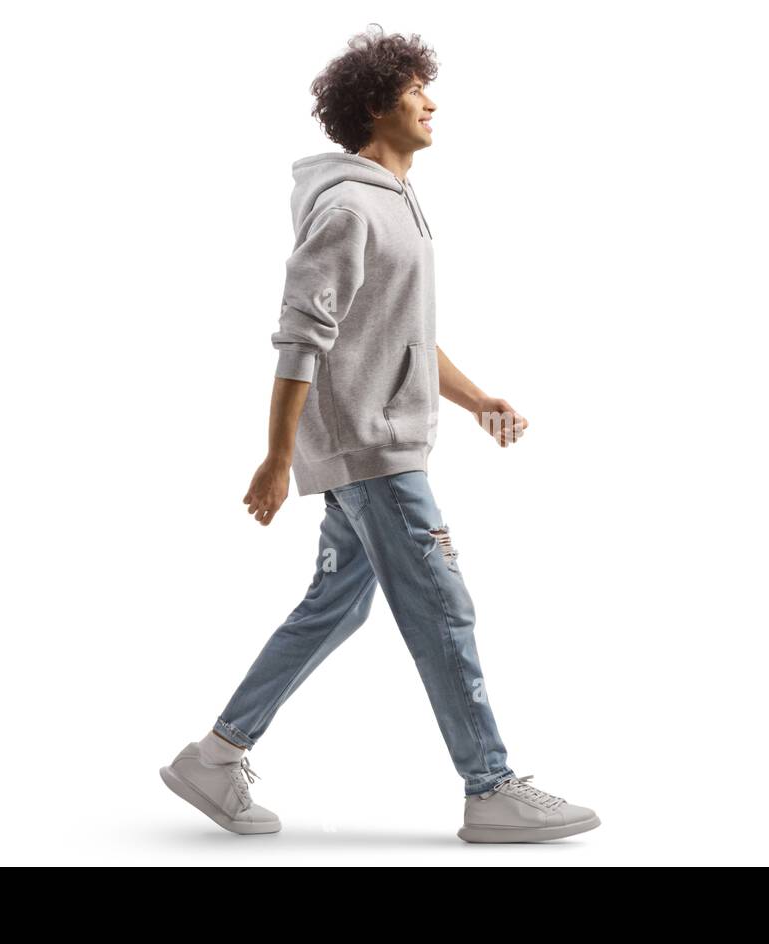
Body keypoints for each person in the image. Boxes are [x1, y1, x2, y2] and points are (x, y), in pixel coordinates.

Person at [159, 25, 599, 844]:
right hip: (372, 451)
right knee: (443, 607)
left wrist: (476, 400)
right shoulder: (349, 204)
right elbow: (301, 334)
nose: (431, 102)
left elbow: (404, 335)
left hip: (377, 441)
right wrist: (278, 455)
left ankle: (214, 757)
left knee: (334, 608)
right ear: (375, 105)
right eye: (414, 91)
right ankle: (491, 786)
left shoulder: (394, 201)